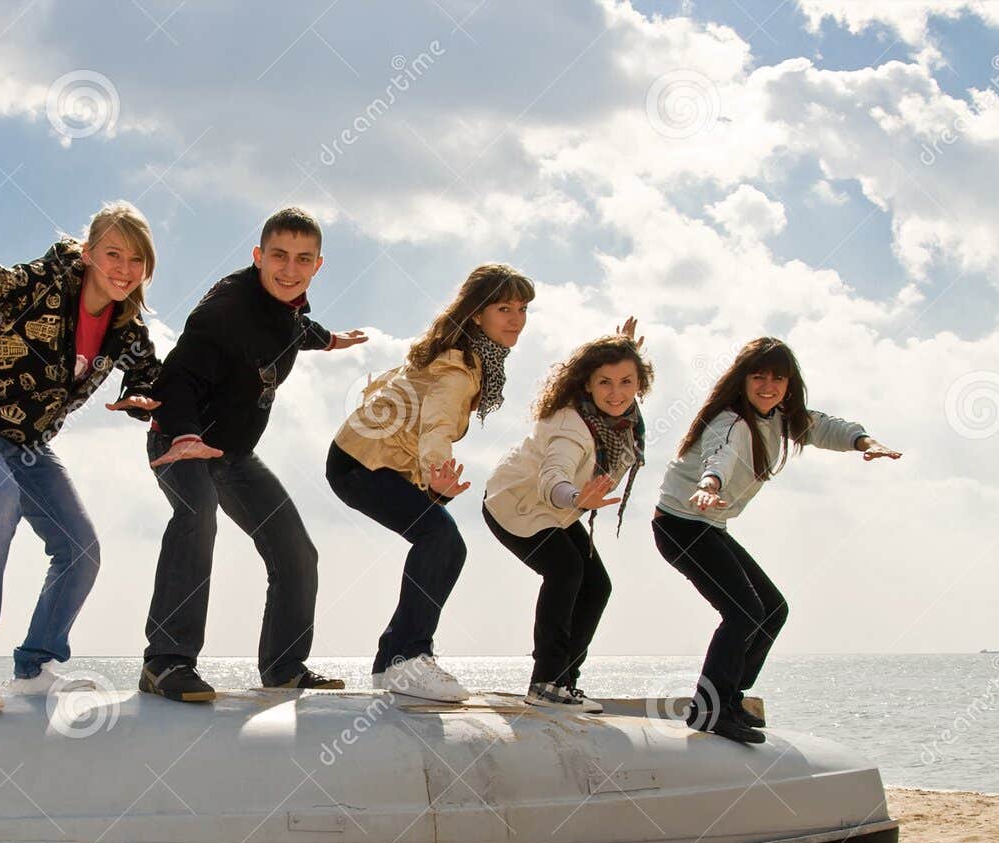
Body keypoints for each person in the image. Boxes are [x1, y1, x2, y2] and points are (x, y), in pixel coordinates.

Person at [0, 201, 163, 711]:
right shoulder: (42, 280)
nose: (123, 270)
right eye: (112, 254)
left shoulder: (126, 328)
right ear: (87, 254)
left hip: (28, 446)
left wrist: (142, 396)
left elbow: (147, 371)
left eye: (136, 260)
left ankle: (37, 667)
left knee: (80, 549)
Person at [140, 207, 368, 701]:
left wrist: (331, 340)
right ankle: (166, 662)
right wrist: (183, 436)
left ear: (318, 265)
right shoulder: (222, 311)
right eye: (279, 257)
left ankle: (285, 668)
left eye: (302, 259)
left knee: (297, 552)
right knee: (197, 516)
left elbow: (292, 330)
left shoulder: (287, 309)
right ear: (258, 256)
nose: (289, 270)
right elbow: (176, 377)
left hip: (234, 454)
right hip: (180, 441)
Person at [652, 337, 901, 743]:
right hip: (681, 525)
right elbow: (720, 455)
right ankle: (709, 710)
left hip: (708, 526)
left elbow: (824, 427)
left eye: (777, 378)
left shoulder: (781, 417)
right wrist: (709, 483)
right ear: (743, 380)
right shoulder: (730, 420)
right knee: (744, 612)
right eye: (759, 376)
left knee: (772, 610)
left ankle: (730, 697)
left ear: (789, 384)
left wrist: (866, 443)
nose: (768, 385)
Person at [326, 263, 535, 702]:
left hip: (365, 459)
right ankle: (406, 660)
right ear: (477, 314)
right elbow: (437, 424)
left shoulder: (460, 353)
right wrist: (435, 468)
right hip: (362, 463)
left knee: (440, 538)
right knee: (442, 539)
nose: (516, 318)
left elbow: (395, 394)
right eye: (504, 308)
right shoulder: (460, 367)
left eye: (521, 308)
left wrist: (428, 480)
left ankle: (396, 660)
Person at [483, 321, 650, 712]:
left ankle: (564, 681)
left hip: (556, 513)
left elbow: (620, 379)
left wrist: (625, 344)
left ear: (639, 384)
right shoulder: (572, 425)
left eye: (627, 382)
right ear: (586, 385)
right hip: (516, 505)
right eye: (605, 383)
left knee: (598, 586)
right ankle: (546, 684)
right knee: (566, 570)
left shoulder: (623, 421)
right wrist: (578, 496)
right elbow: (553, 475)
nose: (616, 393)